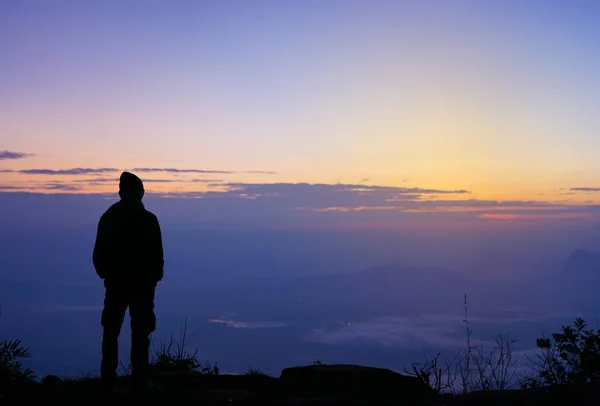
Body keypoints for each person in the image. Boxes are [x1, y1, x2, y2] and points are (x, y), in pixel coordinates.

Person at [93, 171, 164, 393]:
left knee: (112, 332)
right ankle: (139, 382)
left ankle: (108, 382)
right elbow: (157, 259)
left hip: (117, 286)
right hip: (140, 287)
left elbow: (98, 257)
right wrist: (152, 279)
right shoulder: (148, 220)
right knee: (140, 334)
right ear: (140, 193)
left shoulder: (109, 218)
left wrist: (108, 275)